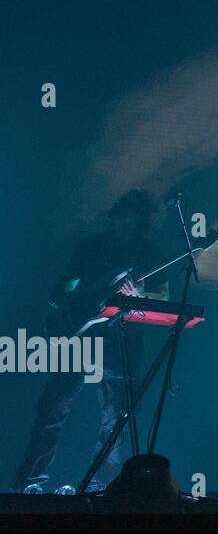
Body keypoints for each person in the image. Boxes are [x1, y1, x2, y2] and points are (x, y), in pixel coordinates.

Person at [13, 191, 169, 493]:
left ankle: (102, 488)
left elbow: (161, 296)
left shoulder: (149, 251)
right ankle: (30, 482)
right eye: (120, 209)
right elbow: (65, 286)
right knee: (53, 408)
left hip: (121, 340)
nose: (120, 215)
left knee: (116, 418)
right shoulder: (91, 246)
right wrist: (75, 297)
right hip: (80, 335)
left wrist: (140, 296)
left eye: (128, 212)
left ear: (140, 219)